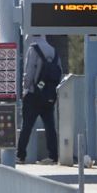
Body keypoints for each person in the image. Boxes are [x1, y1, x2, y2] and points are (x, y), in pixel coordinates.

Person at [16, 35, 60, 165]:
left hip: (33, 94)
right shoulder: (53, 51)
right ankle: (53, 156)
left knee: (27, 126)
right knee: (50, 126)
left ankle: (21, 155)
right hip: (49, 95)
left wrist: (25, 89)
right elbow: (59, 71)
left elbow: (29, 72)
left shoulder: (33, 49)